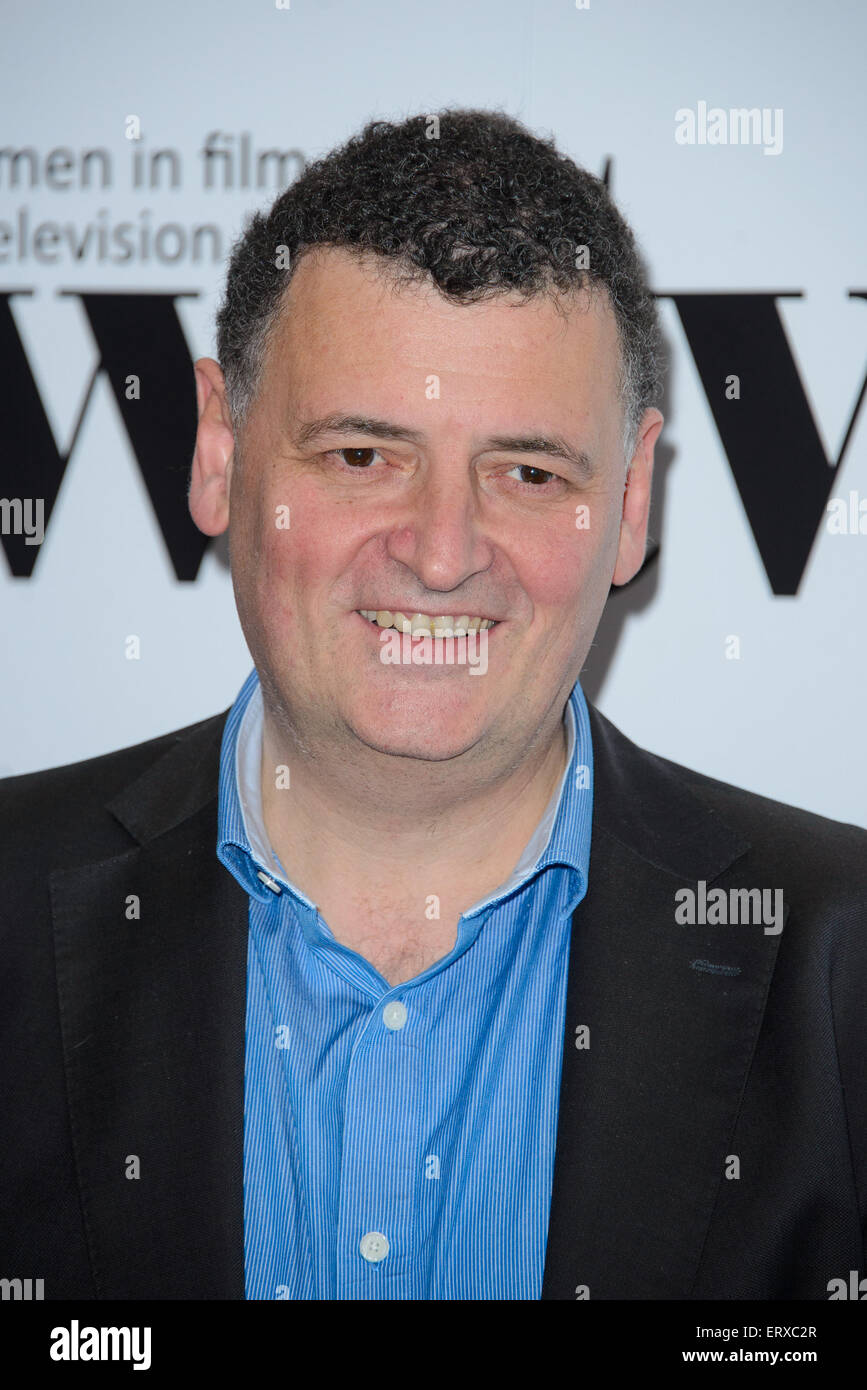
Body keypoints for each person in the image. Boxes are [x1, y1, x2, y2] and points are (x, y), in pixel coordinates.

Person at [1, 109, 865, 1302]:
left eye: (528, 472)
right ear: (217, 451)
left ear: (627, 504)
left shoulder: (844, 963)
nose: (445, 552)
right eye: (363, 456)